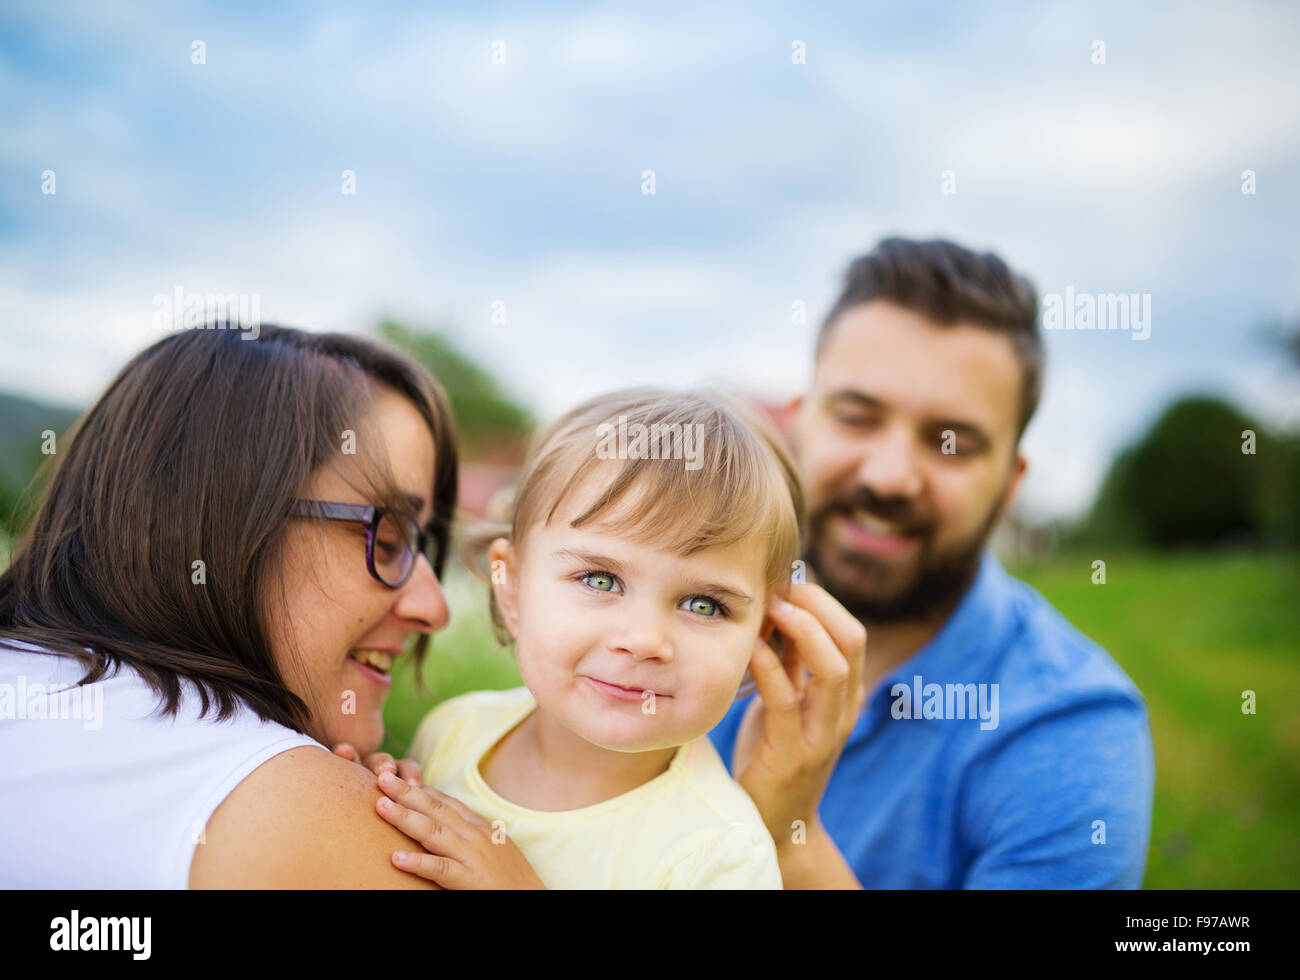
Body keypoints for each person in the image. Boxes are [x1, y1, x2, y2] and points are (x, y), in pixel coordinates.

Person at [0, 323, 542, 887]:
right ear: (221, 522)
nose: (434, 607)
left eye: (424, 546)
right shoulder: (317, 821)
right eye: (387, 540)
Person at [708, 236, 1156, 888]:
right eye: (857, 417)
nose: (890, 477)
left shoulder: (1070, 733)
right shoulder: (675, 614)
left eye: (952, 443)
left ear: (1009, 484)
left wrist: (786, 838)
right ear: (800, 429)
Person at [399, 388, 801, 888]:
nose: (643, 639)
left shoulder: (720, 855)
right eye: (600, 580)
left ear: (758, 640)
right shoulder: (451, 734)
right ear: (512, 587)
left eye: (703, 605)